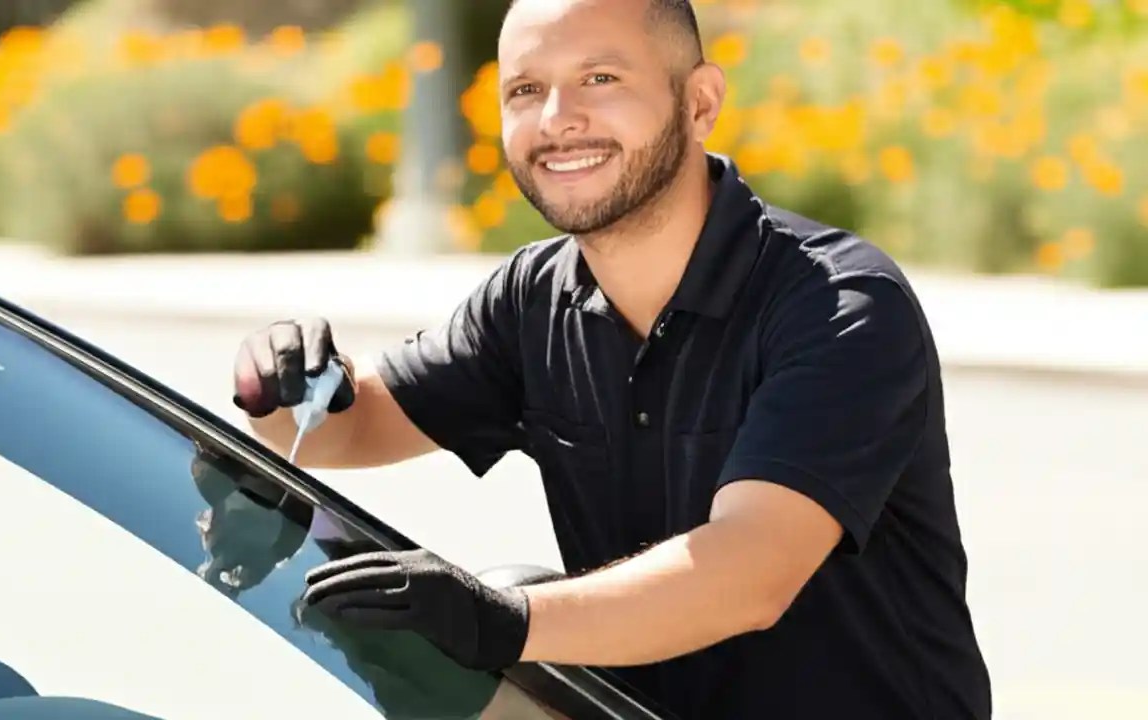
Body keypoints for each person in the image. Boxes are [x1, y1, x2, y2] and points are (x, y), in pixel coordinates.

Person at [230, 0, 993, 717]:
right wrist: (279, 382)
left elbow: (750, 574)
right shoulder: (534, 297)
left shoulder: (839, 304)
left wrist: (505, 618)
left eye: (601, 79)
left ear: (700, 103)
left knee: (503, 609)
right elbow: (345, 429)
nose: (558, 120)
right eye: (526, 90)